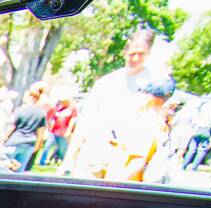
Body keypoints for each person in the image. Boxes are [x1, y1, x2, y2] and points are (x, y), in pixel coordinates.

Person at [62, 28, 155, 177]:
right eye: (132, 53)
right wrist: (68, 159)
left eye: (141, 54)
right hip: (94, 153)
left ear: (149, 53)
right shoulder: (107, 82)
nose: (135, 58)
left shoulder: (152, 85)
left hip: (125, 159)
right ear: (125, 52)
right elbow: (85, 122)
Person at [100, 75, 176, 182]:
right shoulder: (159, 124)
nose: (138, 95)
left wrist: (108, 190)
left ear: (151, 97)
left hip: (126, 189)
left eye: (142, 91)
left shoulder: (145, 124)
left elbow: (136, 163)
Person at [5, 82, 49, 172]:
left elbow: (11, 127)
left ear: (29, 97)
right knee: (19, 171)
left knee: (5, 169)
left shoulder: (20, 110)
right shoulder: (41, 114)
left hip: (14, 142)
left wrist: (4, 138)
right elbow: (40, 134)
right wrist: (37, 147)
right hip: (29, 144)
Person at [40, 91, 77, 166]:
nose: (61, 102)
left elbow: (73, 120)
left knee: (62, 149)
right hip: (53, 131)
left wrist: (69, 131)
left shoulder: (72, 108)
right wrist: (49, 129)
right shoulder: (58, 108)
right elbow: (53, 118)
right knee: (47, 147)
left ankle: (64, 164)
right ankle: (42, 162)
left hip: (63, 132)